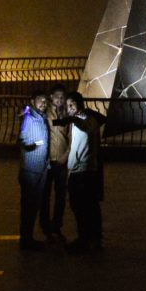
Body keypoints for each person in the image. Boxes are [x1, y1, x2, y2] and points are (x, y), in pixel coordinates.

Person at [61, 91, 104, 252]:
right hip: (79, 169)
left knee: (83, 206)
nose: (70, 108)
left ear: (80, 104)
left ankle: (87, 239)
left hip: (83, 171)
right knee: (84, 206)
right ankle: (90, 238)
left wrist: (71, 118)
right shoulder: (81, 120)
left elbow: (85, 127)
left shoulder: (86, 120)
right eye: (68, 106)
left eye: (72, 105)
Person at [16, 91, 52, 249]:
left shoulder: (42, 117)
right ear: (32, 101)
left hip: (41, 168)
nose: (43, 103)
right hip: (30, 169)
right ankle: (26, 239)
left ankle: (28, 237)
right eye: (40, 100)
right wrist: (29, 146)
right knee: (29, 205)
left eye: (45, 101)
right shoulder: (29, 117)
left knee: (34, 204)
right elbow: (21, 137)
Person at [42, 84, 71, 244]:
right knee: (45, 196)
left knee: (60, 196)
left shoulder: (67, 112)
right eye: (57, 97)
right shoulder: (45, 112)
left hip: (61, 160)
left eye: (62, 97)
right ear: (51, 97)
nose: (60, 100)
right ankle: (46, 226)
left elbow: (71, 136)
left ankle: (56, 226)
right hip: (47, 160)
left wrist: (66, 155)